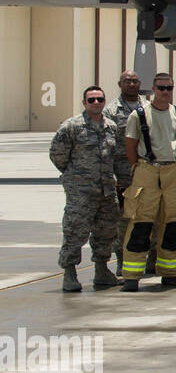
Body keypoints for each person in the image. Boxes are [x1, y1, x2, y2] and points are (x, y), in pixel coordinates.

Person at [120, 72, 176, 290]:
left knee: (173, 225)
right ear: (153, 89)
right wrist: (139, 168)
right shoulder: (139, 115)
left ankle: (171, 273)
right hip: (147, 171)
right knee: (141, 224)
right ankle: (131, 276)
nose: (165, 92)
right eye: (161, 88)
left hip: (171, 172)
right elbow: (131, 146)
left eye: (169, 88)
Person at [49, 86, 120, 291]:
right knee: (75, 230)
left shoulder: (111, 127)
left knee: (106, 231)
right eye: (91, 100)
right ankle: (69, 273)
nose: (96, 103)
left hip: (107, 190)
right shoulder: (72, 126)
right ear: (84, 103)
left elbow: (114, 156)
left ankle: (101, 270)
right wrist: (74, 177)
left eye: (99, 99)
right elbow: (57, 155)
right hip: (81, 192)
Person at [105, 69, 146, 276]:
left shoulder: (148, 107)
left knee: (149, 216)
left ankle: (151, 260)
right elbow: (106, 145)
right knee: (124, 220)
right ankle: (123, 260)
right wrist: (112, 176)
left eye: (134, 81)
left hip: (147, 171)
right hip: (123, 174)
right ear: (119, 84)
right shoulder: (111, 111)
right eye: (127, 81)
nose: (131, 84)